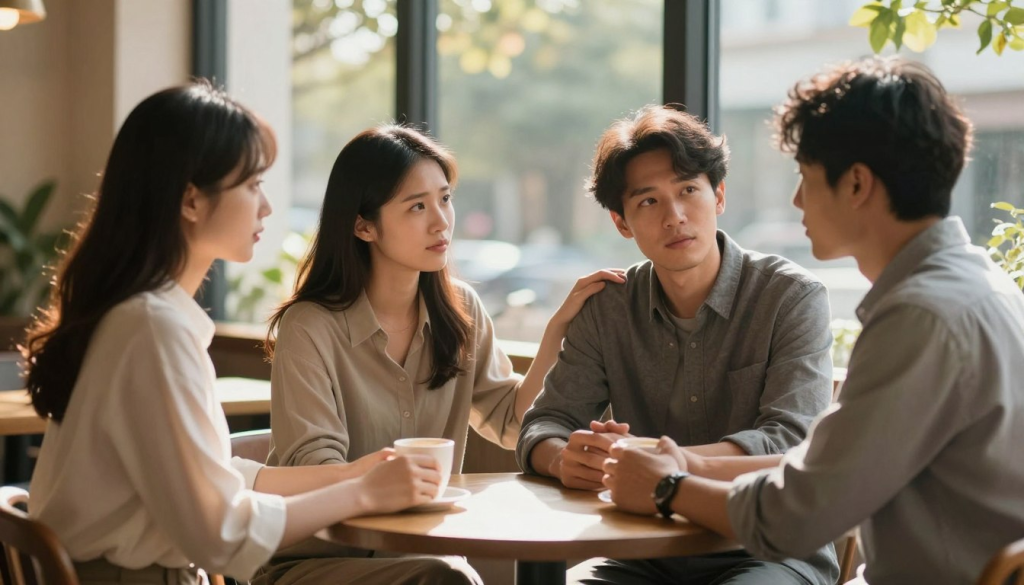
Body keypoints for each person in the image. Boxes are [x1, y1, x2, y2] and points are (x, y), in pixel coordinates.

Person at [602, 56, 1024, 585]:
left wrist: (666, 489)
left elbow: (792, 519)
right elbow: (827, 469)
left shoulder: (921, 317)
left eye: (805, 177)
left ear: (856, 184)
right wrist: (688, 466)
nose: (797, 199)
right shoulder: (978, 283)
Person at [23, 83, 446, 585]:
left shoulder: (138, 318)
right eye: (252, 185)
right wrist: (364, 493)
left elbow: (212, 479)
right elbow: (220, 532)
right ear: (191, 200)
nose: (265, 207)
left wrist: (353, 472)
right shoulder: (152, 330)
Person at [261, 124, 623, 584]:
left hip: (419, 557)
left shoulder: (460, 310)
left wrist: (557, 332)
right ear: (363, 225)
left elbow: (512, 421)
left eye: (445, 198)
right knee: (448, 577)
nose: (441, 221)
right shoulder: (310, 326)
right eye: (417, 206)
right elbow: (316, 469)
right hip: (314, 563)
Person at [515, 104, 838, 584]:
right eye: (648, 201)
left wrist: (658, 465)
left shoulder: (790, 297)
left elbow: (792, 441)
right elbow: (543, 424)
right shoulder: (608, 307)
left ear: (719, 195)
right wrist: (564, 459)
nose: (675, 217)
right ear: (622, 222)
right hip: (641, 554)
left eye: (688, 190)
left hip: (767, 550)